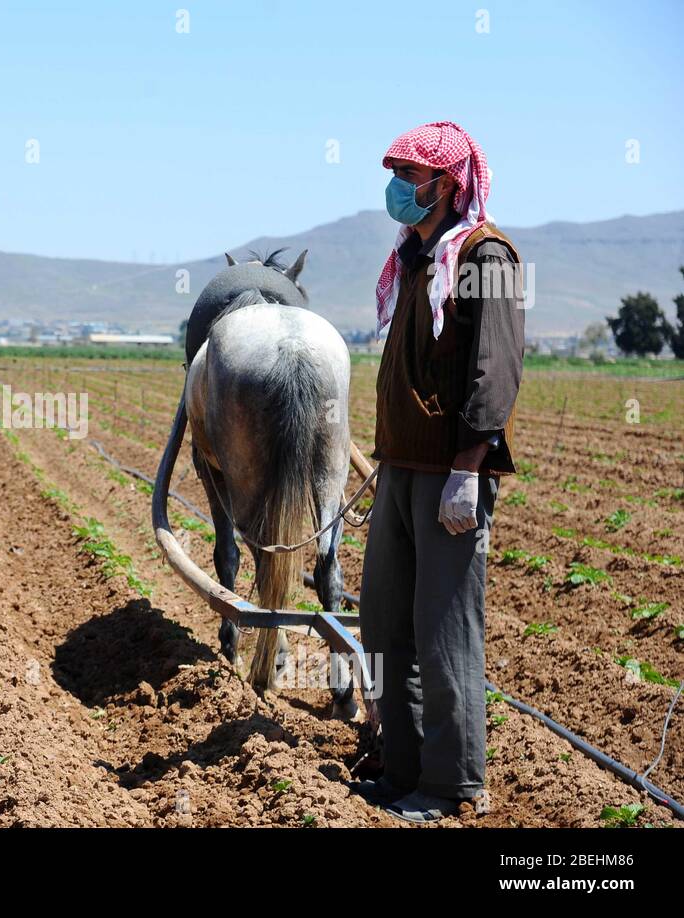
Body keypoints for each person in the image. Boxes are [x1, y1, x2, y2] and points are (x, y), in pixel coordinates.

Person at [352, 122, 525, 823]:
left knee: (445, 630)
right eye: (395, 171)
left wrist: (467, 466)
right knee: (386, 625)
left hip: (449, 472)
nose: (399, 185)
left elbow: (497, 365)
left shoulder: (486, 254)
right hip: (399, 465)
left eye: (411, 173)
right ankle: (402, 769)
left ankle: (451, 782)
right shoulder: (418, 254)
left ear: (449, 184)